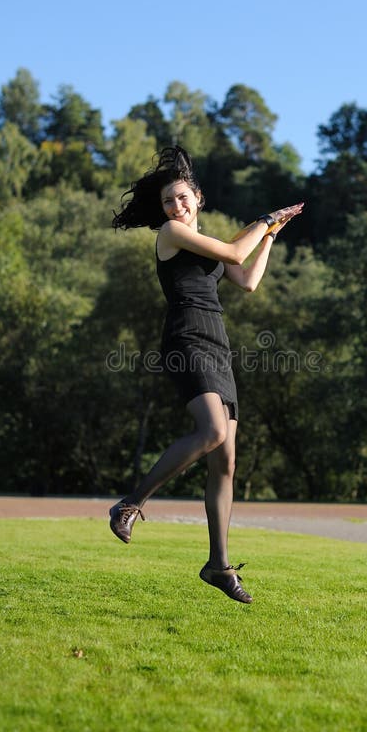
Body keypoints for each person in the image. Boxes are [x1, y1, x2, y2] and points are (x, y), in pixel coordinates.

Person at [109, 146, 304, 603]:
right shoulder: (173, 234)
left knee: (226, 462)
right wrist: (264, 218)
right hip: (186, 338)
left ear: (198, 197)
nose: (175, 207)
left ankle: (217, 566)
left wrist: (271, 234)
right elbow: (238, 250)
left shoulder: (209, 244)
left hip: (217, 343)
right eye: (168, 202)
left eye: (181, 198)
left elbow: (247, 279)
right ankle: (130, 503)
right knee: (213, 431)